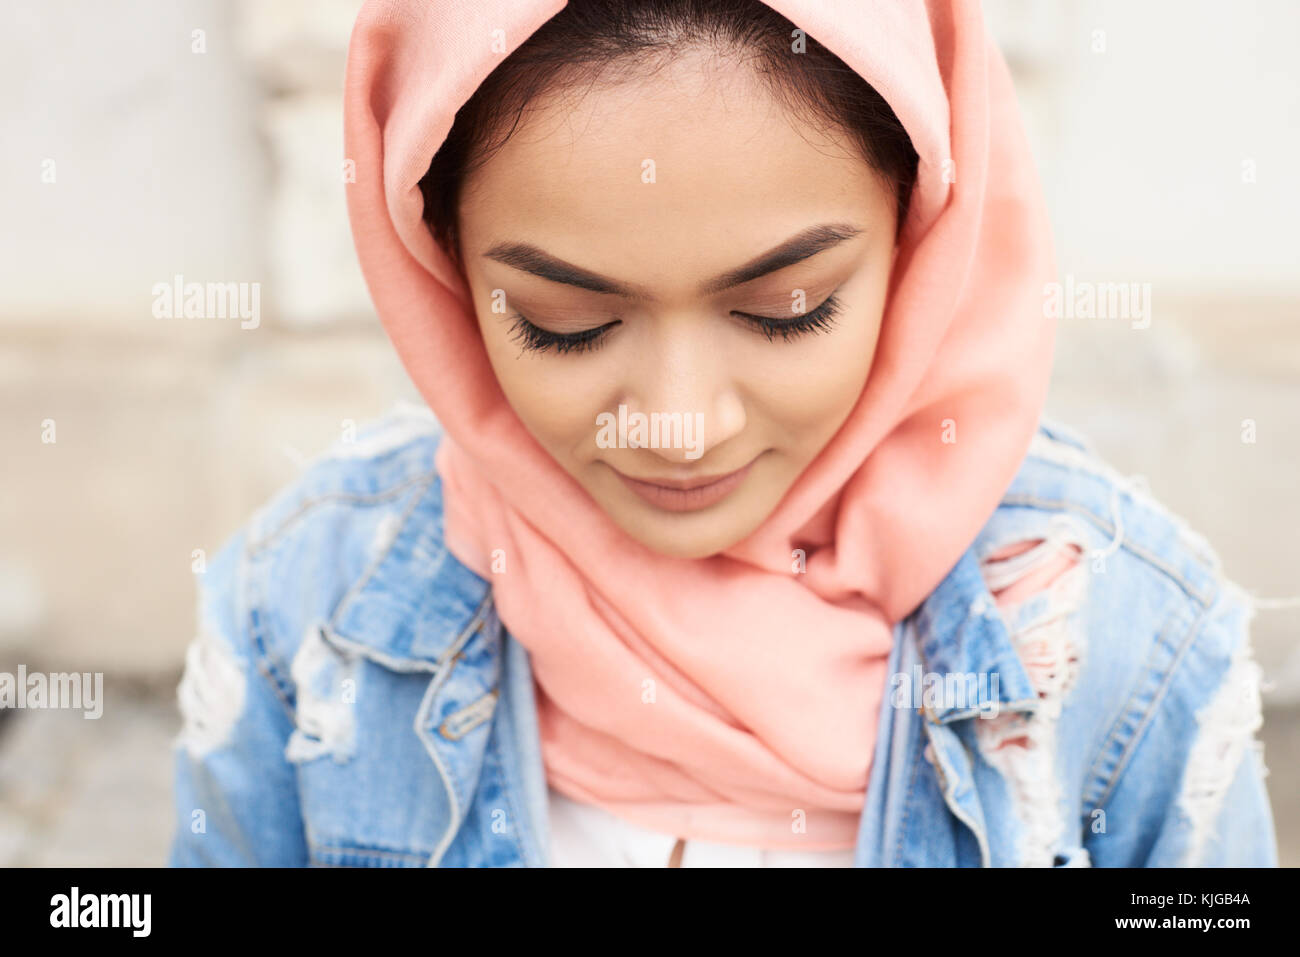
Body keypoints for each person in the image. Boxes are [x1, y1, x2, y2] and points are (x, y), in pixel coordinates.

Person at [167, 0, 1278, 867]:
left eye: (785, 309)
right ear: (442, 267)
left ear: (921, 234)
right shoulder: (305, 615)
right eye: (567, 324)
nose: (680, 423)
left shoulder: (1131, 652)